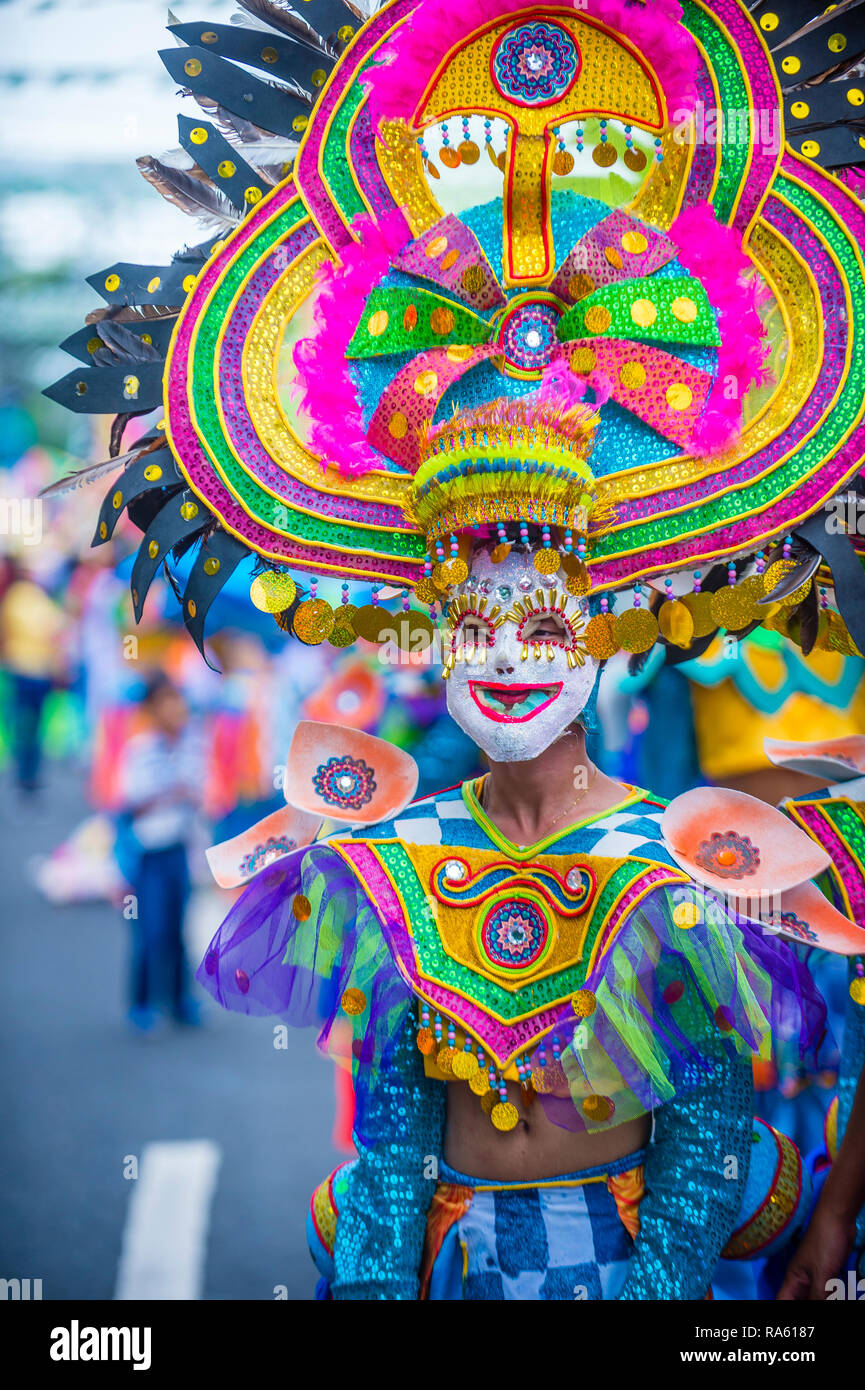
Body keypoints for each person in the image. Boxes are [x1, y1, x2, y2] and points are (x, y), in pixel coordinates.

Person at [47, 0, 865, 1299]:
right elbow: (386, 1145)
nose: (511, 646)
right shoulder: (387, 856)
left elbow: (702, 1138)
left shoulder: (689, 856)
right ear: (431, 624)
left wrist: (647, 1295)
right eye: (475, 609)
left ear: (603, 630)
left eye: (546, 612)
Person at [115, 674, 203, 1033]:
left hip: (179, 850)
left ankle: (181, 1002)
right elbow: (129, 801)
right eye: (166, 702)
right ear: (152, 710)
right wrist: (172, 793)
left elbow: (201, 792)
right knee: (149, 930)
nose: (175, 709)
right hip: (148, 854)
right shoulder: (141, 750)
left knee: (179, 931)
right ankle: (142, 1003)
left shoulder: (193, 744)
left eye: (177, 701)